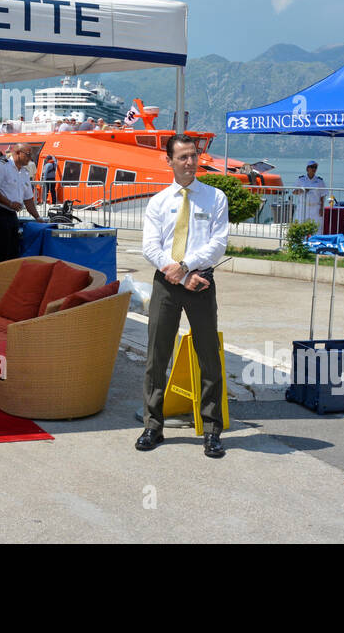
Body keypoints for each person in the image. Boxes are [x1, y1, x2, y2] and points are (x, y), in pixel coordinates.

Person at [137, 134, 229, 459]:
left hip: (200, 283)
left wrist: (188, 269)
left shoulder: (215, 198)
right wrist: (174, 272)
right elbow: (150, 245)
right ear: (170, 161)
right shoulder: (159, 202)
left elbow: (218, 244)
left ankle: (212, 429)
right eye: (182, 157)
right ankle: (153, 426)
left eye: (193, 156)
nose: (190, 162)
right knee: (156, 356)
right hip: (166, 283)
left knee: (209, 356)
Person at [0, 146, 41, 261]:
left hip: (12, 215)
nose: (30, 158)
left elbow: (28, 200)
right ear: (18, 152)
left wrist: (38, 217)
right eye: (28, 154)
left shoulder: (24, 172)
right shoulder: (2, 166)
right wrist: (9, 203)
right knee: (2, 252)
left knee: (13, 252)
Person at [292, 160, 326, 231]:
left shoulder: (320, 181)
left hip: (315, 207)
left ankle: (315, 241)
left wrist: (322, 208)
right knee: (301, 225)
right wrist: (302, 190)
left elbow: (323, 195)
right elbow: (294, 192)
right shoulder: (301, 179)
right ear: (307, 168)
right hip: (303, 206)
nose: (314, 169)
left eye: (315, 167)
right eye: (312, 167)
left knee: (316, 227)